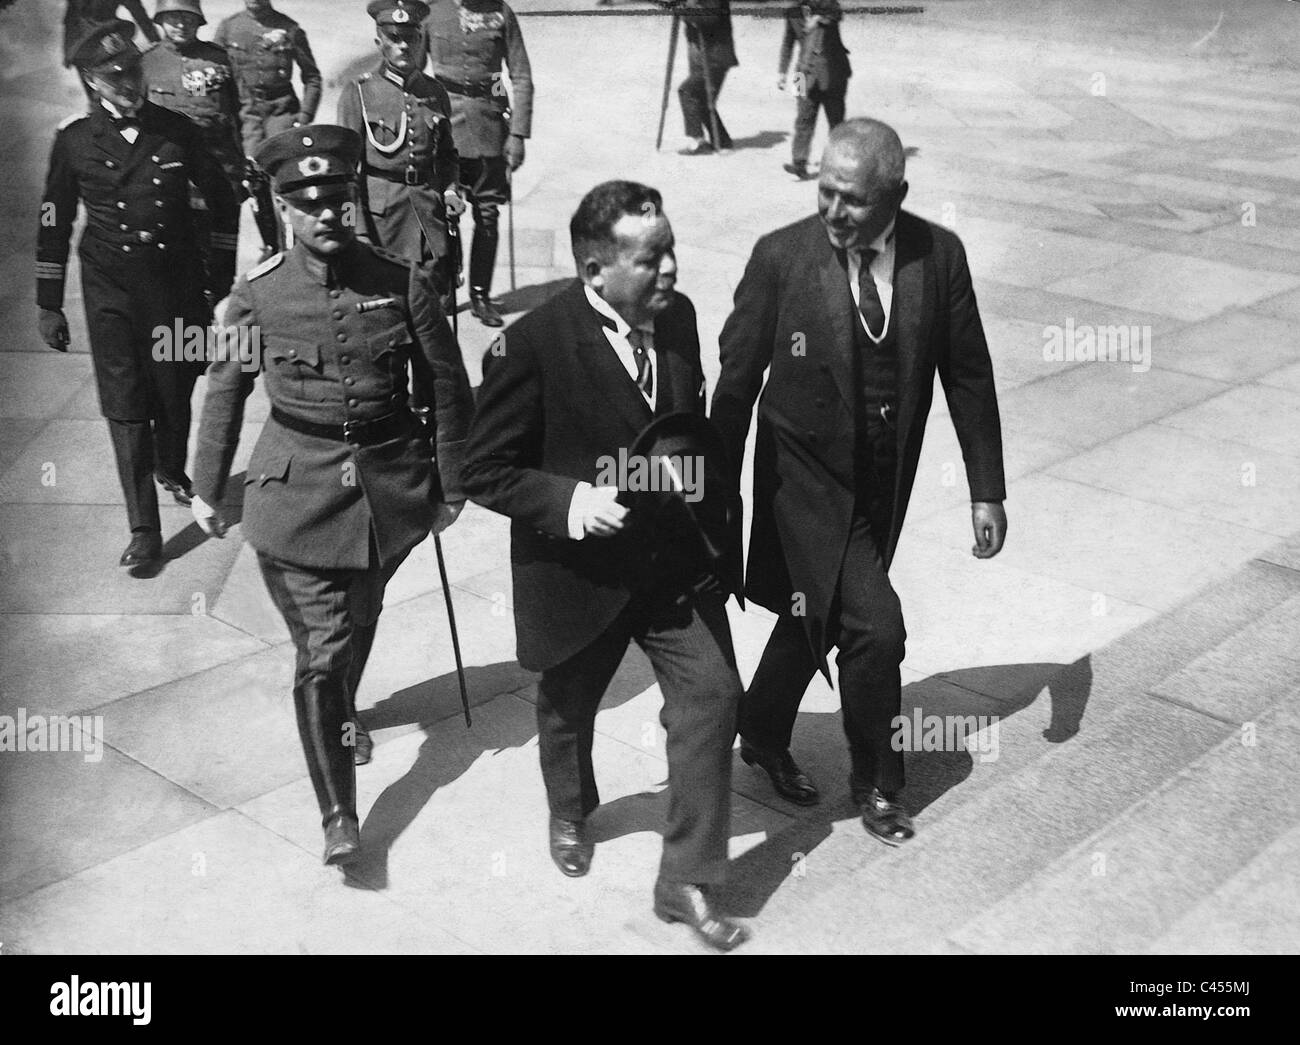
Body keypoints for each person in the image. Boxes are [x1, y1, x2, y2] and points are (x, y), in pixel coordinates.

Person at [461, 181, 750, 952]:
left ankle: (685, 876)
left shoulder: (679, 319)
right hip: (577, 576)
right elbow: (481, 468)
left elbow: (690, 433)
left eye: (672, 251)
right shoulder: (532, 345)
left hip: (670, 569)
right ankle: (570, 805)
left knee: (715, 696)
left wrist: (718, 534)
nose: (671, 271)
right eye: (652, 260)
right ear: (595, 270)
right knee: (567, 705)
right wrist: (567, 502)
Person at [710, 118, 1008, 845]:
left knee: (815, 610)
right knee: (877, 628)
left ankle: (761, 728)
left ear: (896, 196)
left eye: (852, 200)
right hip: (801, 485)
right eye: (825, 192)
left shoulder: (938, 258)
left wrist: (985, 487)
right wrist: (713, 490)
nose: (834, 212)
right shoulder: (781, 256)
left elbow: (967, 373)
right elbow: (738, 379)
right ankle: (878, 781)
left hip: (881, 484)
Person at [188, 124, 474, 866]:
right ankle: (339, 815)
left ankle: (342, 708)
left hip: (390, 488)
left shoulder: (399, 280)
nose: (326, 217)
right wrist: (207, 486)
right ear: (283, 207)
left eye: (337, 201)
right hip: (299, 488)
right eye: (308, 204)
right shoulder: (257, 295)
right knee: (323, 648)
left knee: (363, 611)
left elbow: (447, 383)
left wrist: (452, 480)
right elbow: (225, 391)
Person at [36, 20, 238, 567]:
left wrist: (218, 274)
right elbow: (54, 218)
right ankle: (143, 528)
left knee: (175, 388)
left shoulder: (177, 131)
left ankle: (171, 464)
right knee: (125, 404)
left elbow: (223, 197)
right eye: (113, 75)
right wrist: (48, 300)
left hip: (174, 287)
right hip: (110, 292)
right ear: (92, 82)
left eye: (132, 71)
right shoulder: (74, 140)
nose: (127, 82)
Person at [338, 0, 464, 303]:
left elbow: (447, 154)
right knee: (388, 310)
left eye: (410, 38)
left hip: (427, 215)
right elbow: (344, 171)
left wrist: (450, 191)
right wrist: (359, 229)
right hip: (383, 221)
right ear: (380, 42)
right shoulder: (359, 92)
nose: (403, 46)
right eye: (395, 38)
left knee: (432, 308)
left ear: (420, 40)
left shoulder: (435, 92)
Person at [425, 0, 533, 327]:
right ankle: (443, 290)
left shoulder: (501, 12)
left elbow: (522, 76)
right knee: (444, 213)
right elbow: (413, 75)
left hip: (490, 127)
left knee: (488, 215)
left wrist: (517, 134)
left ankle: (480, 294)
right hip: (445, 126)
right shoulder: (432, 12)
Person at [214, 0, 323, 254]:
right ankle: (270, 245)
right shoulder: (228, 28)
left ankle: (294, 247)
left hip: (281, 112)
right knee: (252, 182)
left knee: (286, 180)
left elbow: (312, 77)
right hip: (245, 114)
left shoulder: (289, 28)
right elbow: (214, 73)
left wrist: (304, 117)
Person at [777, 0, 850, 180]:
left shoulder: (827, 6)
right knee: (802, 119)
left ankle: (841, 166)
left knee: (836, 123)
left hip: (832, 72)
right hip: (802, 73)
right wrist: (781, 72)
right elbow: (787, 42)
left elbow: (836, 12)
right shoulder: (792, 12)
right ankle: (799, 163)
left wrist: (817, 18)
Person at [676, 0, 737, 155]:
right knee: (702, 100)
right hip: (704, 58)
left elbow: (708, 17)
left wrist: (685, 10)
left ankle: (698, 141)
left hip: (715, 58)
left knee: (687, 91)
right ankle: (722, 140)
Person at [63, 1, 158, 67]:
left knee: (128, 28)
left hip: (106, 26)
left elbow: (139, 13)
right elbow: (72, 16)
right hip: (84, 28)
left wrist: (153, 37)